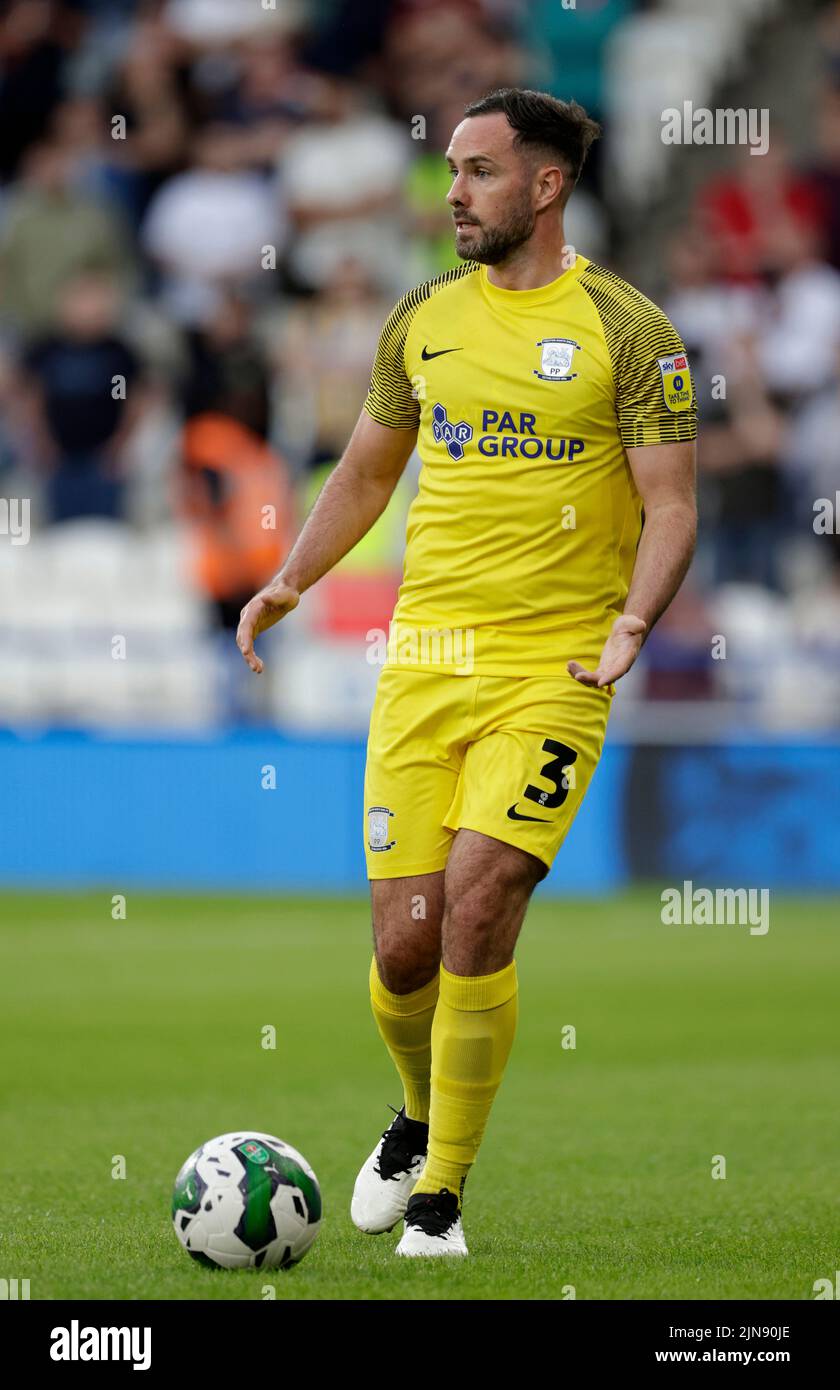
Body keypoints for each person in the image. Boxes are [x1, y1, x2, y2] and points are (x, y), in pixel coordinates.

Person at [236, 88, 698, 1257]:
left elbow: (672, 505)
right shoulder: (422, 319)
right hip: (424, 665)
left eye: (480, 171)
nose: (452, 191)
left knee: (481, 907)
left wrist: (637, 618)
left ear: (545, 186)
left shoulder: (631, 334)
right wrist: (292, 575)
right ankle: (414, 1112)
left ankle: (439, 1195)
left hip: (556, 670)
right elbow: (364, 473)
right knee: (404, 944)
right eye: (450, 169)